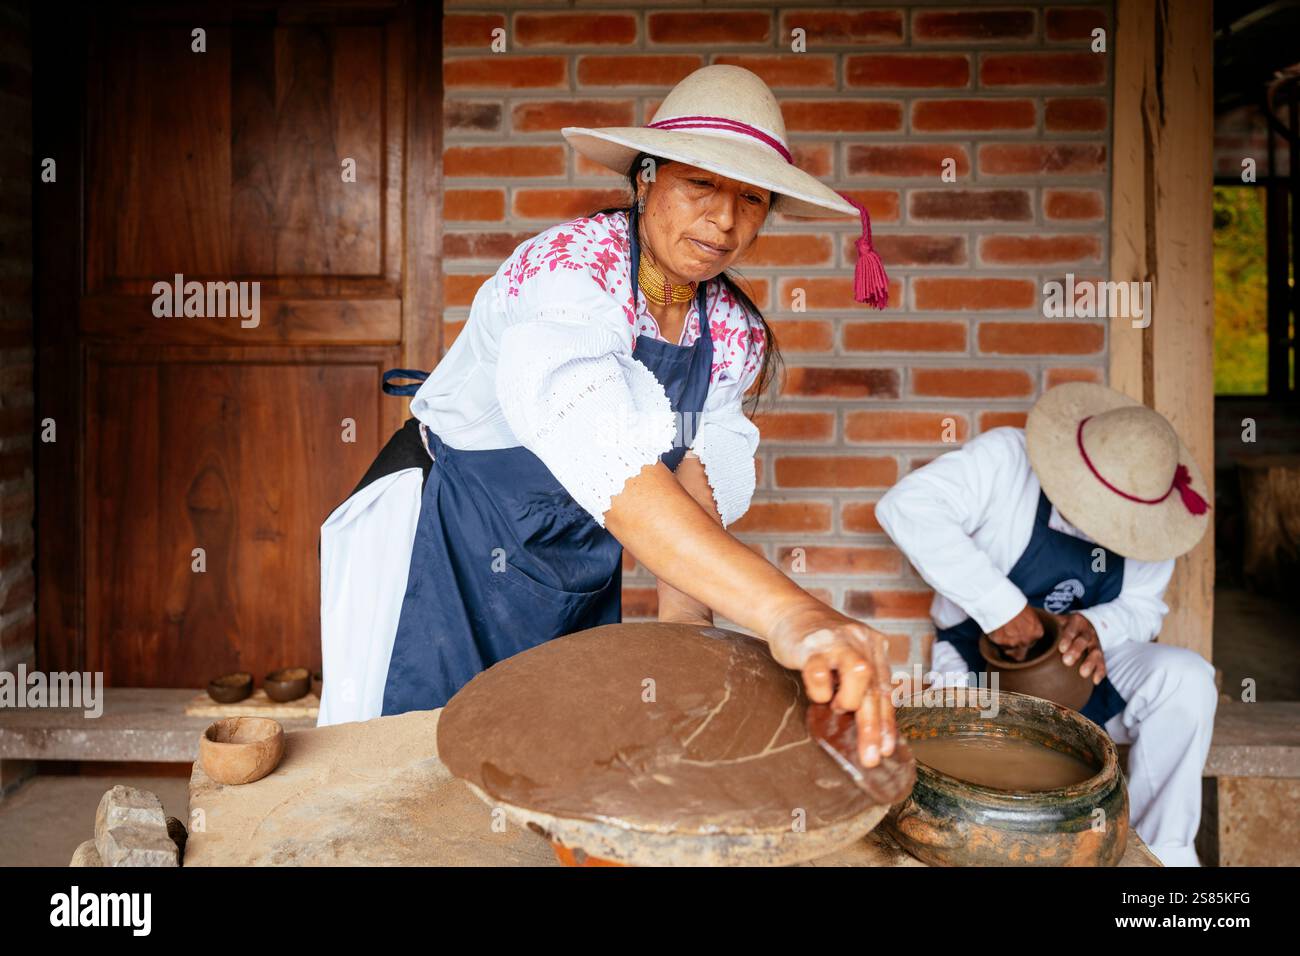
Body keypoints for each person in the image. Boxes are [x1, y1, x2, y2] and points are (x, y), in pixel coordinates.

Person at [318, 65, 899, 766]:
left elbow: (692, 477)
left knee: (547, 760)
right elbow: (612, 468)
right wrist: (792, 613)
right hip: (448, 544)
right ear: (648, 175)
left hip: (569, 565)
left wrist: (691, 656)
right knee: (415, 767)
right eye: (701, 185)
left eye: (752, 198)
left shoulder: (732, 332)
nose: (725, 220)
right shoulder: (570, 276)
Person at [875, 382, 1217, 867]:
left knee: (1187, 680)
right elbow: (906, 508)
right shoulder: (1006, 460)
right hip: (980, 659)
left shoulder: (1156, 510)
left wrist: (1096, 626)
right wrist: (1003, 610)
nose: (1112, 531)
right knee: (962, 772)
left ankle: (1163, 853)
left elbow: (1145, 605)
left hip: (1089, 669)